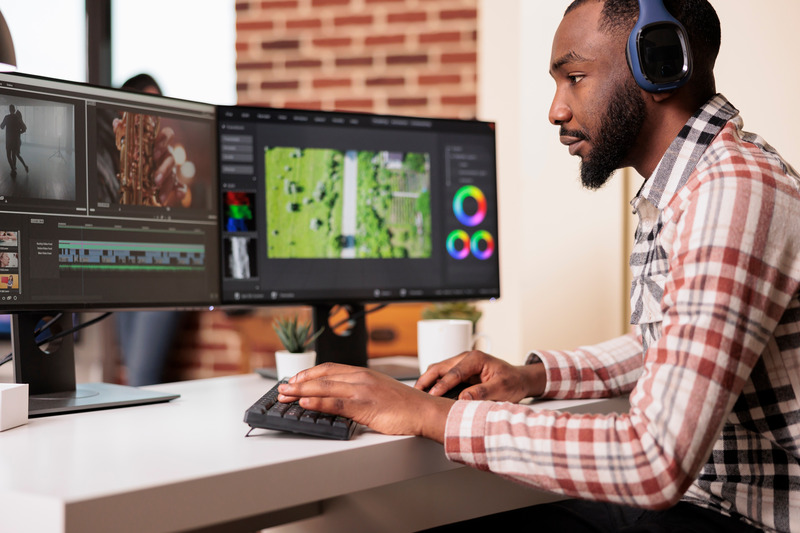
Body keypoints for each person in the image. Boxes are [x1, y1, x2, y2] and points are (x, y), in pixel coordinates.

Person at [276, 1, 800, 531]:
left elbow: (653, 461)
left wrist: (429, 414)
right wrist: (532, 375)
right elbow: (674, 341)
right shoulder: (696, 183)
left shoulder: (733, 192)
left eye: (575, 77)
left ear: (658, 65)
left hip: (750, 518)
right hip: (709, 502)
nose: (556, 110)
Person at [113, 73, 184, 386]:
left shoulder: (166, 158)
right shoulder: (114, 155)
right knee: (133, 373)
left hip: (161, 279)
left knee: (141, 377)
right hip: (125, 276)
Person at [0, 104, 27, 175]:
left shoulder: (6, 117)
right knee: (14, 155)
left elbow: (2, 127)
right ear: (14, 110)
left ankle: (13, 169)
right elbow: (24, 129)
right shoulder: (17, 118)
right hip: (16, 140)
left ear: (9, 110)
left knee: (8, 156)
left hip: (8, 140)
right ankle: (14, 168)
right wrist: (18, 133)